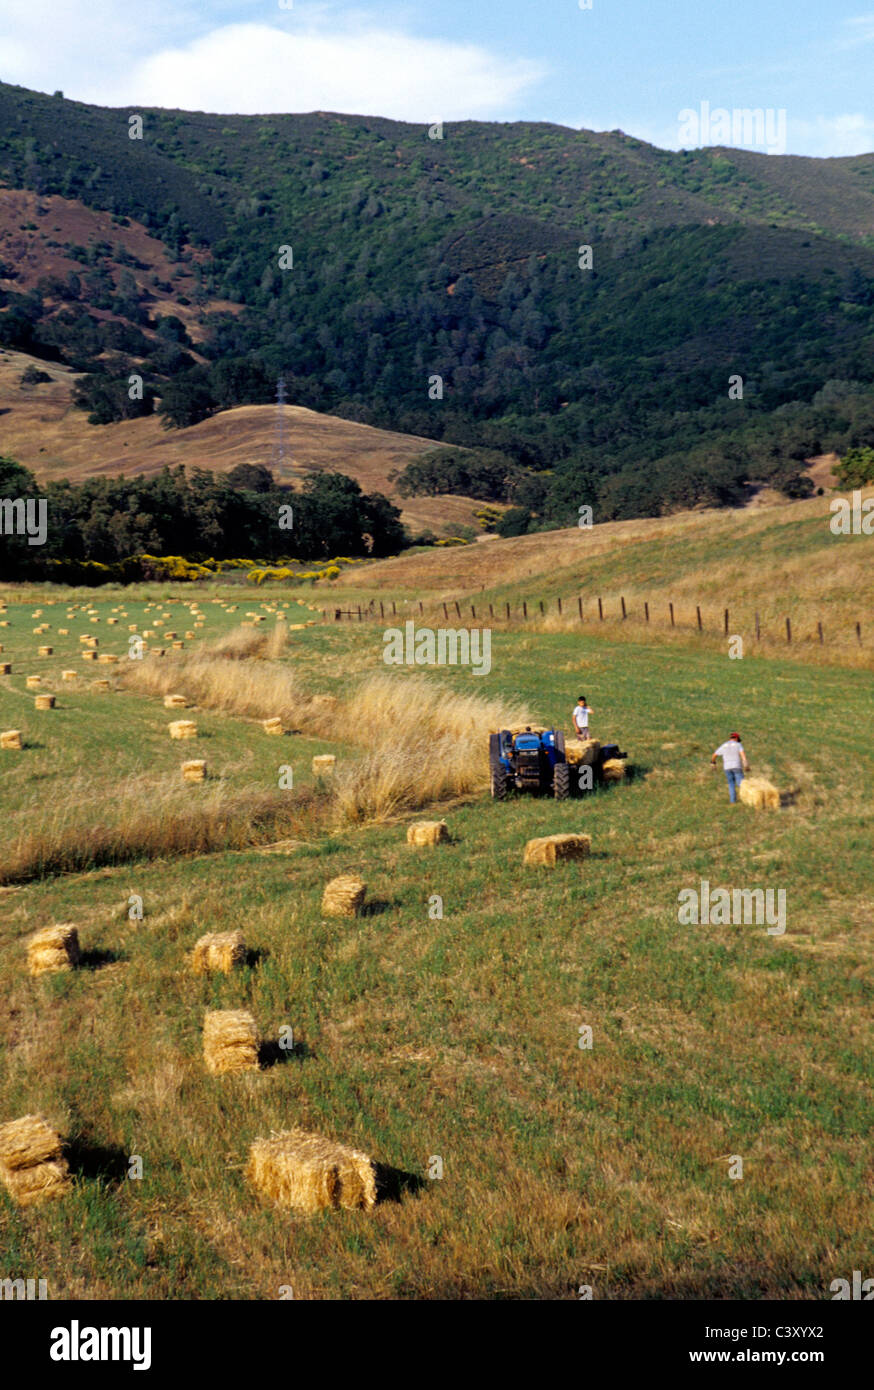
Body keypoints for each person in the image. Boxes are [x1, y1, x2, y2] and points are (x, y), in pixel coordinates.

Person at [711, 732, 749, 803]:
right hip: (736, 766)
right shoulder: (738, 745)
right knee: (741, 784)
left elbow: (714, 755)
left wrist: (713, 762)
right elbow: (743, 755)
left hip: (727, 767)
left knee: (731, 784)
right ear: (737, 738)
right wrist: (745, 764)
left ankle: (732, 801)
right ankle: (747, 799)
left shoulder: (724, 745)